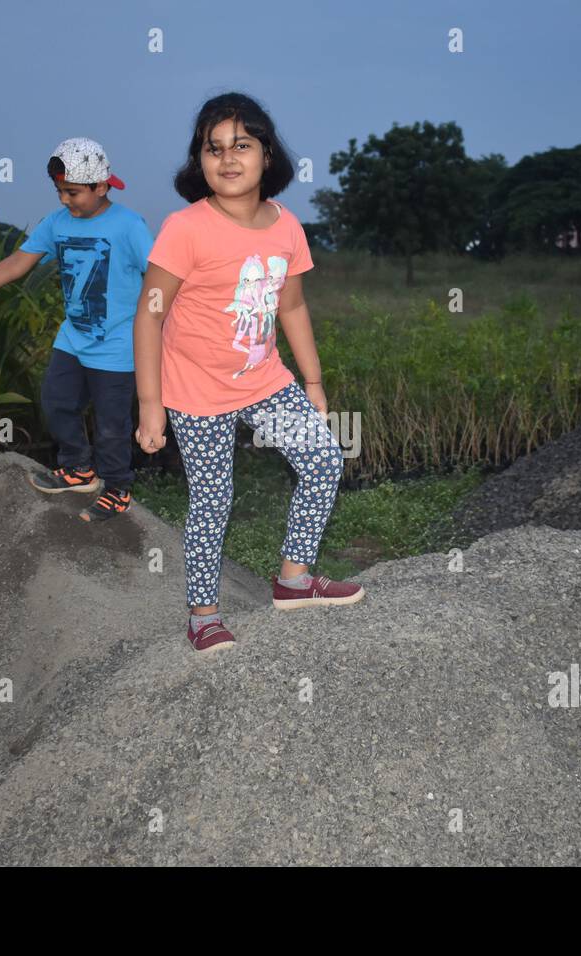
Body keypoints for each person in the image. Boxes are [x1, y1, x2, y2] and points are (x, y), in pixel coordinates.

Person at [132, 92, 365, 653]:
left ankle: (293, 580)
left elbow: (293, 308)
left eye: (242, 144)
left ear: (267, 154)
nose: (227, 158)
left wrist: (313, 382)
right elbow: (149, 314)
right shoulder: (185, 228)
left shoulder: (287, 227)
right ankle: (203, 614)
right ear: (199, 161)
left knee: (323, 458)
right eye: (213, 148)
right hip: (194, 389)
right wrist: (150, 403)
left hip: (265, 378)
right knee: (213, 499)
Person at [0, 138, 152, 520]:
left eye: (72, 192)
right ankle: (78, 469)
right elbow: (20, 261)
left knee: (110, 424)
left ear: (101, 187)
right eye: (59, 192)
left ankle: (117, 489)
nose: (65, 200)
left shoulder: (129, 226)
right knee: (55, 400)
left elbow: (159, 277)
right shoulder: (56, 223)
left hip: (117, 344)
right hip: (73, 337)